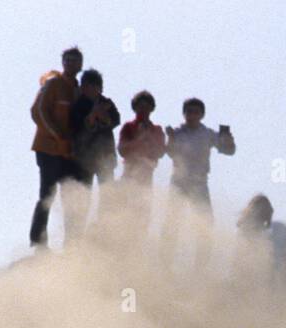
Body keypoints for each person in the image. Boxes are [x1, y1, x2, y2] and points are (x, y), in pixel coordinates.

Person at [161, 97, 236, 269]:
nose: (192, 115)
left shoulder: (207, 134)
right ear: (184, 114)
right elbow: (170, 153)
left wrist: (229, 140)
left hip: (199, 183)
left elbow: (229, 151)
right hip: (179, 182)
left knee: (205, 226)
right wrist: (170, 139)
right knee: (172, 224)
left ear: (202, 114)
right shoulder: (177, 133)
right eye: (189, 111)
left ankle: (200, 268)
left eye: (195, 112)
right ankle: (165, 266)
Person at [28, 46, 89, 247]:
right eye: (67, 60)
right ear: (63, 63)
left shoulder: (79, 89)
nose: (71, 64)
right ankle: (38, 241)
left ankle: (71, 242)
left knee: (70, 194)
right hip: (48, 148)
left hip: (69, 151)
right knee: (47, 193)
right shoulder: (53, 84)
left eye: (75, 61)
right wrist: (56, 134)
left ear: (81, 65)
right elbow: (38, 111)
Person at [68, 69, 121, 229]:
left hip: (105, 157)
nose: (88, 89)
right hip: (84, 159)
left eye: (92, 86)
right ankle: (76, 237)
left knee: (107, 196)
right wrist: (92, 115)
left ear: (99, 88)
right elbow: (77, 126)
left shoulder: (107, 103)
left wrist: (103, 114)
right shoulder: (78, 105)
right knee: (82, 199)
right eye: (85, 85)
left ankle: (104, 233)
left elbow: (115, 121)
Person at [116, 90, 166, 232]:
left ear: (152, 109)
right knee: (125, 209)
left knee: (143, 212)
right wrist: (138, 140)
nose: (143, 110)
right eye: (140, 106)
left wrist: (149, 138)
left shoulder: (156, 129)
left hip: (146, 173)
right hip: (129, 172)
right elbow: (121, 149)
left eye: (147, 107)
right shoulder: (128, 127)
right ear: (135, 107)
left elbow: (161, 152)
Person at [233, 194, 286, 282]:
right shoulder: (244, 233)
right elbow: (239, 259)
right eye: (261, 211)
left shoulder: (276, 231)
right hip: (249, 277)